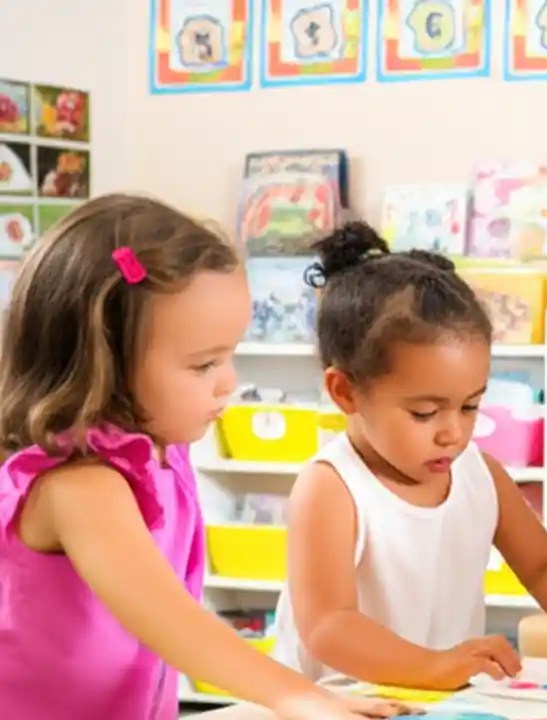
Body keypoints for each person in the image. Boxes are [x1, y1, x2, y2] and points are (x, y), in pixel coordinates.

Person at [0, 196, 403, 720]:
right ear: (105, 362)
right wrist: (297, 694)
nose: (229, 382)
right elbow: (171, 622)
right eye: (203, 365)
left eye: (231, 354)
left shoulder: (163, 456)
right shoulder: (79, 487)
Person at [272, 222, 547, 689]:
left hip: (435, 701)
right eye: (424, 412)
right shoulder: (332, 487)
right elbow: (327, 627)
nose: (453, 433)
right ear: (345, 392)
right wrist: (434, 666)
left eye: (471, 405)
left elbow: (545, 564)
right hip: (334, 703)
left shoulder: (479, 473)